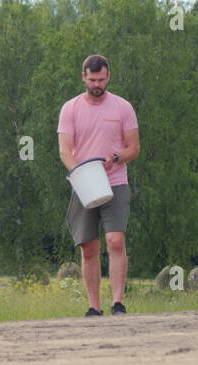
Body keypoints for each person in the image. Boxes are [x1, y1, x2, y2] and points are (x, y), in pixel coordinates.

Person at [58, 55, 140, 316]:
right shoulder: (69, 109)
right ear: (83, 77)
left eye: (101, 79)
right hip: (84, 183)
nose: (97, 84)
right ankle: (94, 306)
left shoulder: (123, 107)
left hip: (115, 181)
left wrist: (116, 158)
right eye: (92, 79)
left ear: (109, 77)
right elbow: (65, 151)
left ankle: (118, 302)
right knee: (89, 246)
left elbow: (134, 148)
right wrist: (81, 174)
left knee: (115, 240)